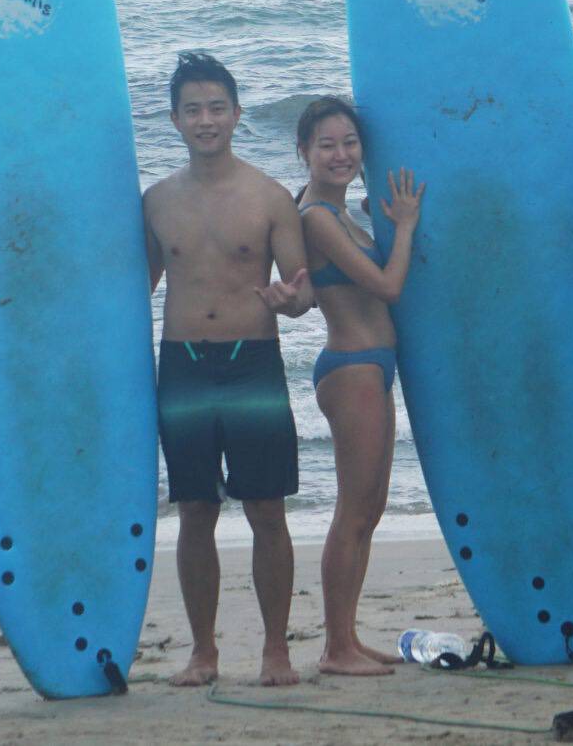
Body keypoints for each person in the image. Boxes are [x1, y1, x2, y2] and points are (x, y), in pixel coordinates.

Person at [141, 52, 316, 687]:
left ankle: (276, 651)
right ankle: (203, 652)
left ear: (237, 114)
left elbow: (302, 292)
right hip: (182, 365)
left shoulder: (270, 197)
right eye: (193, 110)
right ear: (175, 119)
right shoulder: (156, 201)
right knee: (194, 511)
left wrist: (290, 300)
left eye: (217, 107)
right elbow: (137, 290)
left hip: (252, 364)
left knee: (267, 509)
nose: (206, 120)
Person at [291, 97, 422, 677]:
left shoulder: (342, 213)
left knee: (369, 507)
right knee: (353, 509)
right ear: (304, 151)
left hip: (372, 366)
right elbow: (387, 287)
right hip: (352, 368)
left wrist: (381, 219)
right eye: (327, 145)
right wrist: (406, 226)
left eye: (350, 143)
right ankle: (335, 648)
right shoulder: (316, 216)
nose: (341, 154)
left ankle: (347, 637)